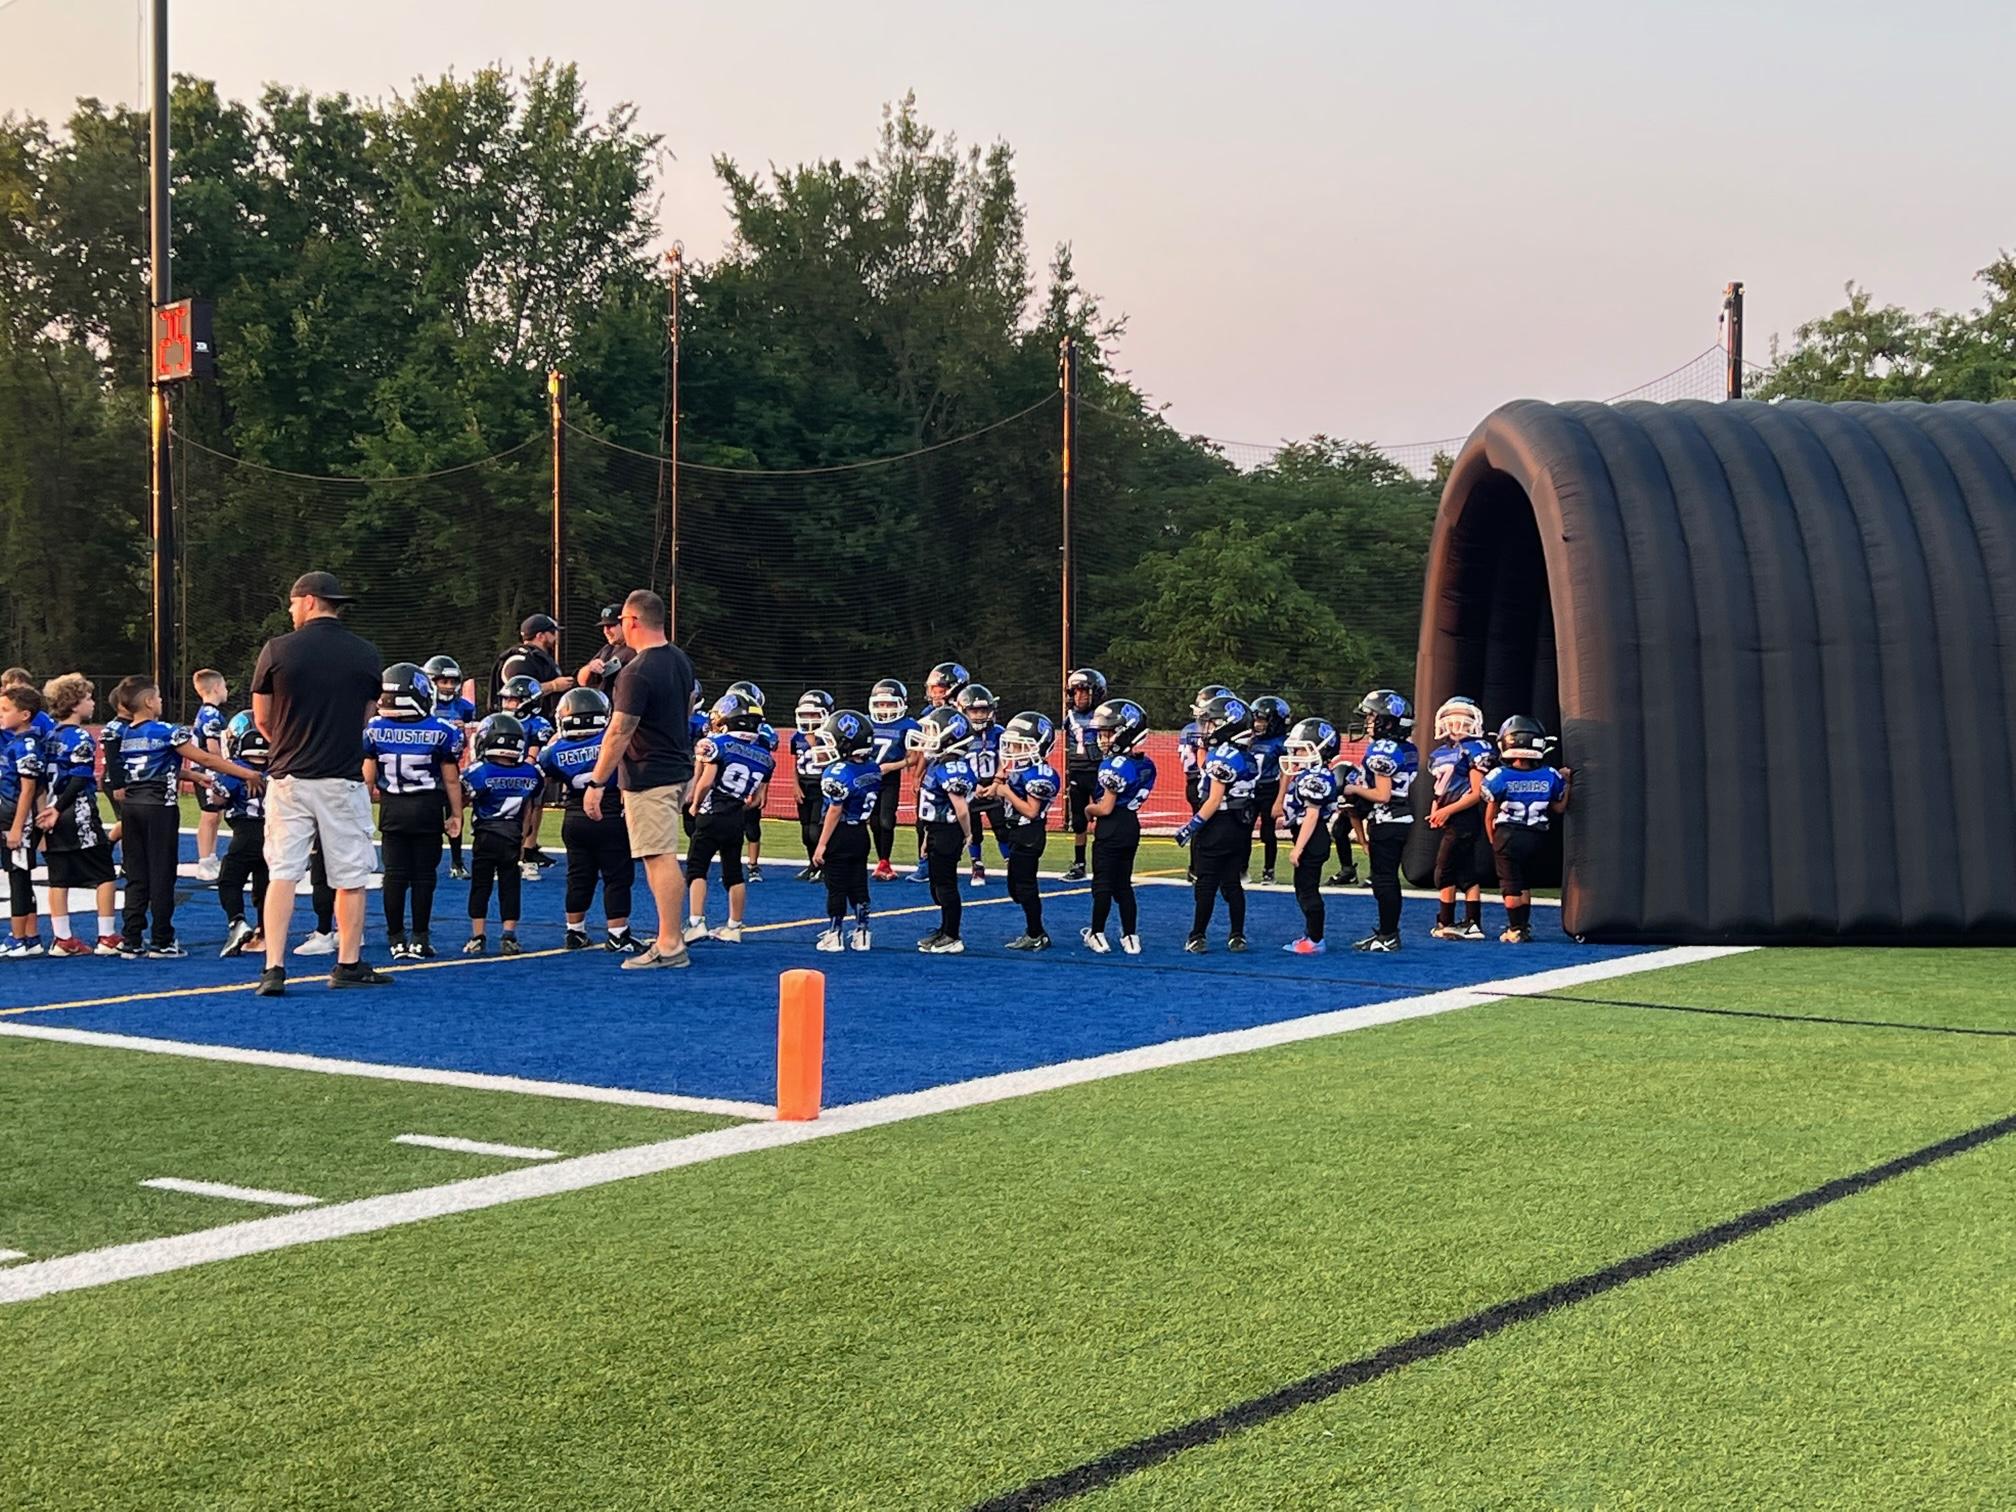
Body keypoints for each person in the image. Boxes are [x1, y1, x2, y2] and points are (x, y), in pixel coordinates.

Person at [250, 570, 391, 996]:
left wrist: (290, 744)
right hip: (342, 778)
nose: (291, 611)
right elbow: (367, 716)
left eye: (293, 603)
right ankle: (347, 961)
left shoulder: (277, 650)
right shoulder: (366, 654)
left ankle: (273, 966)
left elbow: (261, 718)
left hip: (289, 777)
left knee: (283, 873)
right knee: (350, 876)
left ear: (308, 600)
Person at [108, 675, 263, 957]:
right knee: (163, 873)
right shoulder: (167, 731)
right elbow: (206, 757)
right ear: (147, 701)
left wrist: (192, 776)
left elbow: (153, 767)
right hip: (159, 808)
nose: (161, 701)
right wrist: (246, 773)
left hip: (132, 808)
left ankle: (131, 938)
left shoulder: (125, 734)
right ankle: (162, 939)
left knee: (136, 873)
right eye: (157, 697)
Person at [584, 589, 697, 970]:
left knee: (658, 856)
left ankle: (669, 944)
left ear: (633, 621)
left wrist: (597, 782)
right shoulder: (679, 659)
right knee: (660, 855)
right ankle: (670, 935)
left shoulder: (637, 670)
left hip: (651, 773)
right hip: (675, 767)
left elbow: (619, 731)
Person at [363, 662, 465, 961]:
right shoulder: (442, 731)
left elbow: (367, 780)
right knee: (423, 876)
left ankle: (396, 939)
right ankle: (420, 938)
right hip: (427, 808)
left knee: (394, 875)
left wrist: (359, 815)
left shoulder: (375, 729)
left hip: (392, 809)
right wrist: (456, 814)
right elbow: (450, 779)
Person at [539, 687, 637, 953]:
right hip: (609, 814)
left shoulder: (553, 751)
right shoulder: (611, 739)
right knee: (617, 875)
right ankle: (618, 933)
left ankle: (575, 931)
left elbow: (542, 774)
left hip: (574, 816)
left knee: (578, 876)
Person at [34, 674, 120, 956]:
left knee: (58, 876)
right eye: (88, 698)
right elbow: (78, 778)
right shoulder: (80, 736)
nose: (93, 703)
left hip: (50, 809)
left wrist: (48, 809)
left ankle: (62, 938)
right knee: (105, 872)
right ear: (74, 703)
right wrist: (59, 809)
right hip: (76, 810)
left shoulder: (48, 737)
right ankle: (107, 936)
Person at [681, 690, 773, 944]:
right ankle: (734, 926)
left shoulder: (718, 745)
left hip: (712, 814)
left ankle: (696, 923)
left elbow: (706, 782)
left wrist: (695, 804)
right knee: (733, 873)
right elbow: (756, 800)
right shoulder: (765, 757)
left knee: (697, 868)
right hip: (736, 818)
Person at [1174, 692, 1257, 953]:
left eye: (1211, 722)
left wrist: (1191, 827)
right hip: (1239, 825)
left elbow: (1213, 800)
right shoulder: (1247, 756)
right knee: (1232, 883)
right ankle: (1237, 935)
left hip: (1217, 824)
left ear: (1227, 725)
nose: (1206, 728)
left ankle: (1197, 935)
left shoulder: (1223, 756)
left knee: (1206, 883)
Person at [1342, 689, 1418, 954]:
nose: (1367, 722)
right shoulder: (1406, 748)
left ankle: (1388, 934)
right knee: (1387, 879)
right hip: (1399, 818)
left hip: (1388, 820)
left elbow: (1382, 795)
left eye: (1373, 716)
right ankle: (1388, 932)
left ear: (1388, 721)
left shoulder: (1383, 750)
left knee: (1384, 879)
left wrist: (1353, 790)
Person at [1483, 716, 1571, 943]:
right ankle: (1523, 926)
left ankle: (1515, 928)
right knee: (1524, 882)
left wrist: (1493, 839)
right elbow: (1560, 808)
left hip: (1508, 833)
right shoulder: (1550, 775)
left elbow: (1490, 813)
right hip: (1536, 835)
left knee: (1510, 884)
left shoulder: (1499, 776)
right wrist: (1568, 783)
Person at [460, 714, 541, 955]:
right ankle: (509, 934)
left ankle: (477, 935)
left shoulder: (480, 772)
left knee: (480, 886)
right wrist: (524, 836)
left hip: (486, 834)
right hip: (512, 835)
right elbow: (529, 808)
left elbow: (463, 798)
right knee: (510, 885)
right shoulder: (530, 773)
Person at [1082, 698, 1156, 955]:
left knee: (1102, 884)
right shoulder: (1146, 765)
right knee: (1123, 885)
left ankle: (1097, 933)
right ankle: (1130, 936)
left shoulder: (1114, 766)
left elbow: (1105, 808)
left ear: (1125, 732)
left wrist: (1087, 810)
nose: (1102, 739)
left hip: (1111, 826)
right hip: (1130, 826)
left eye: (1107, 733)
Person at [808, 709, 880, 951]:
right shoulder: (872, 768)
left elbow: (834, 810)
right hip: (860, 832)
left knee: (836, 885)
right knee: (858, 883)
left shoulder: (836, 773)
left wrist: (822, 844)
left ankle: (835, 933)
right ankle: (862, 933)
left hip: (839, 833)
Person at [989, 711, 1059, 950]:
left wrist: (1006, 792)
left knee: (1025, 886)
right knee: (1015, 888)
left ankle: (1036, 933)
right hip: (1016, 832)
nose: (1014, 749)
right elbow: (1002, 789)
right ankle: (1035, 930)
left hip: (1030, 833)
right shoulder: (1019, 769)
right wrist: (991, 789)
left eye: (1020, 745)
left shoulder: (1040, 774)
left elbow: (1031, 811)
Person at [912, 704, 977, 954]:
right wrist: (927, 835)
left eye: (932, 731)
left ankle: (953, 935)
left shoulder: (952, 767)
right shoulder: (939, 763)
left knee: (946, 885)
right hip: (937, 829)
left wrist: (968, 833)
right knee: (937, 885)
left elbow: (960, 808)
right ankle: (944, 929)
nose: (927, 737)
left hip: (949, 832)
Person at [1277, 718, 1343, 954]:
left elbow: (1312, 816)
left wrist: (1298, 848)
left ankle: (1316, 939)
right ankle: (1312, 935)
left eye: (1300, 748)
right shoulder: (1308, 774)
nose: (1294, 753)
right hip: (1310, 836)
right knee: (1303, 888)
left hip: (1313, 839)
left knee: (1307, 889)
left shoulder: (1315, 777)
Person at [1427, 696, 1490, 942]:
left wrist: (1447, 810)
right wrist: (1436, 809)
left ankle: (1447, 921)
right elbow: (1440, 789)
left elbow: (1477, 793)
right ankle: (1472, 924)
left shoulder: (1476, 749)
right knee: (1465, 871)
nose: (1457, 727)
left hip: (1463, 817)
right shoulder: (1440, 753)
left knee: (1444, 872)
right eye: (1452, 722)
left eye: (1463, 722)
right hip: (1450, 815)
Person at [212, 713, 271, 958]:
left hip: (245, 832)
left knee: (229, 880)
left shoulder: (233, 771)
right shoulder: (279, 769)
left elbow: (217, 801)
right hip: (274, 832)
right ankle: (265, 933)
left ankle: (237, 922)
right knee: (266, 885)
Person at [908, 662, 969, 881]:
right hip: (936, 767)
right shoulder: (930, 713)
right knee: (924, 817)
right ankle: (925, 862)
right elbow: (927, 746)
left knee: (960, 816)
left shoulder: (967, 707)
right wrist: (917, 774)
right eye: (933, 689)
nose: (934, 694)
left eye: (939, 689)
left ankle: (971, 861)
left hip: (960, 767)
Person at [0, 682, 47, 957]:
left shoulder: (27, 745)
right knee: (19, 876)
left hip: (18, 819)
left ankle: (18, 936)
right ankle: (30, 935)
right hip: (9, 815)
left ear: (25, 714)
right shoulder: (15, 742)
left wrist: (18, 827)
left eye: (6, 710)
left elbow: (29, 789)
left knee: (18, 877)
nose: (1, 715)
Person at [496, 674, 556, 878]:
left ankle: (518, 858)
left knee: (524, 820)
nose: (508, 704)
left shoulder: (538, 724)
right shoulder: (497, 721)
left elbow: (534, 755)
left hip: (525, 778)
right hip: (500, 777)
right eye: (506, 699)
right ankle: (501, 860)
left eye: (513, 700)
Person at [425, 655, 477, 879]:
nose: (448, 687)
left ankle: (457, 860)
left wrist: (462, 729)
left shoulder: (464, 707)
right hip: (425, 766)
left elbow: (464, 742)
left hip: (449, 766)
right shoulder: (423, 702)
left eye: (452, 682)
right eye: (443, 681)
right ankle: (427, 860)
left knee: (455, 812)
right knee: (429, 815)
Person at [866, 678, 917, 881]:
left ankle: (885, 861)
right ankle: (881, 861)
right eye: (880, 704)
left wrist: (891, 767)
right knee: (874, 821)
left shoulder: (909, 725)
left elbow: (913, 757)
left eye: (889, 703)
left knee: (887, 820)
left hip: (889, 778)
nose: (885, 708)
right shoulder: (866, 722)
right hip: (868, 779)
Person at [1061, 667, 1106, 880]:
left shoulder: (1104, 714)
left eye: (1084, 691)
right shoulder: (1069, 717)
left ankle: (1103, 862)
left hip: (1099, 770)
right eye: (1076, 692)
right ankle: (1079, 863)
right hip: (1078, 771)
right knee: (1079, 820)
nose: (1079, 696)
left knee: (1105, 817)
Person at [958, 683, 1006, 885]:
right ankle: (976, 865)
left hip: (994, 785)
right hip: (972, 787)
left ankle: (1010, 861)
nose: (978, 715)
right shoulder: (960, 734)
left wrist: (996, 782)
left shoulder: (999, 732)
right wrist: (972, 784)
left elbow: (1007, 759)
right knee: (973, 831)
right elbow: (957, 763)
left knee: (1001, 827)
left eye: (983, 710)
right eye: (974, 711)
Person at [190, 668, 231, 881]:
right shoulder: (211, 714)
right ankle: (205, 861)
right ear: (215, 687)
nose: (226, 691)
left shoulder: (205, 713)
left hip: (208, 770)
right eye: (224, 686)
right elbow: (214, 748)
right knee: (210, 815)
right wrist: (228, 765)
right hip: (208, 771)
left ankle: (211, 857)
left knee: (215, 815)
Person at [790, 690, 835, 882]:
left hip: (821, 785)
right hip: (804, 784)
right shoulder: (797, 737)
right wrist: (795, 785)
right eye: (805, 714)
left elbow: (831, 763)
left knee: (817, 829)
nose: (809, 719)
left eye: (814, 715)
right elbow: (795, 763)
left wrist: (815, 744)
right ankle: (812, 864)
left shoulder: (829, 736)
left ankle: (824, 866)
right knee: (806, 832)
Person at [489, 613, 571, 718]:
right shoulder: (519, 660)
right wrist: (553, 686)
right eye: (552, 632)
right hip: (522, 724)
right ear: (540, 636)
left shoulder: (540, 658)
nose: (556, 636)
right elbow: (518, 692)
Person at [1248, 695, 1290, 883]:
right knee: (1243, 831)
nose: (1257, 724)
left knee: (1268, 832)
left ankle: (1269, 869)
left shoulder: (1282, 743)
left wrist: (1279, 800)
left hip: (1269, 789)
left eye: (1262, 720)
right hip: (1250, 789)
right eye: (1255, 719)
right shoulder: (1251, 740)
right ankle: (1241, 868)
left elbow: (1286, 773)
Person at [577, 604, 635, 690]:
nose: (605, 631)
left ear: (625, 624)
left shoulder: (637, 649)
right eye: (604, 626)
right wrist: (590, 667)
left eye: (610, 626)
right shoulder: (608, 648)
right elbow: (581, 681)